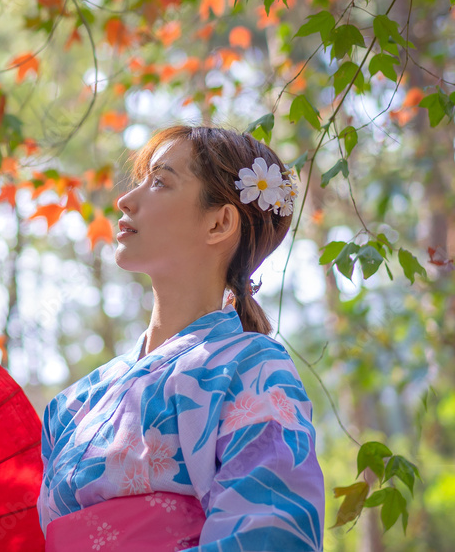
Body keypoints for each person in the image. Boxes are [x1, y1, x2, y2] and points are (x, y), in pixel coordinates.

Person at [37, 125, 324, 551]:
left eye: (159, 182)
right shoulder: (72, 405)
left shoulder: (252, 369)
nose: (125, 200)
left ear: (219, 222)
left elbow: (269, 534)